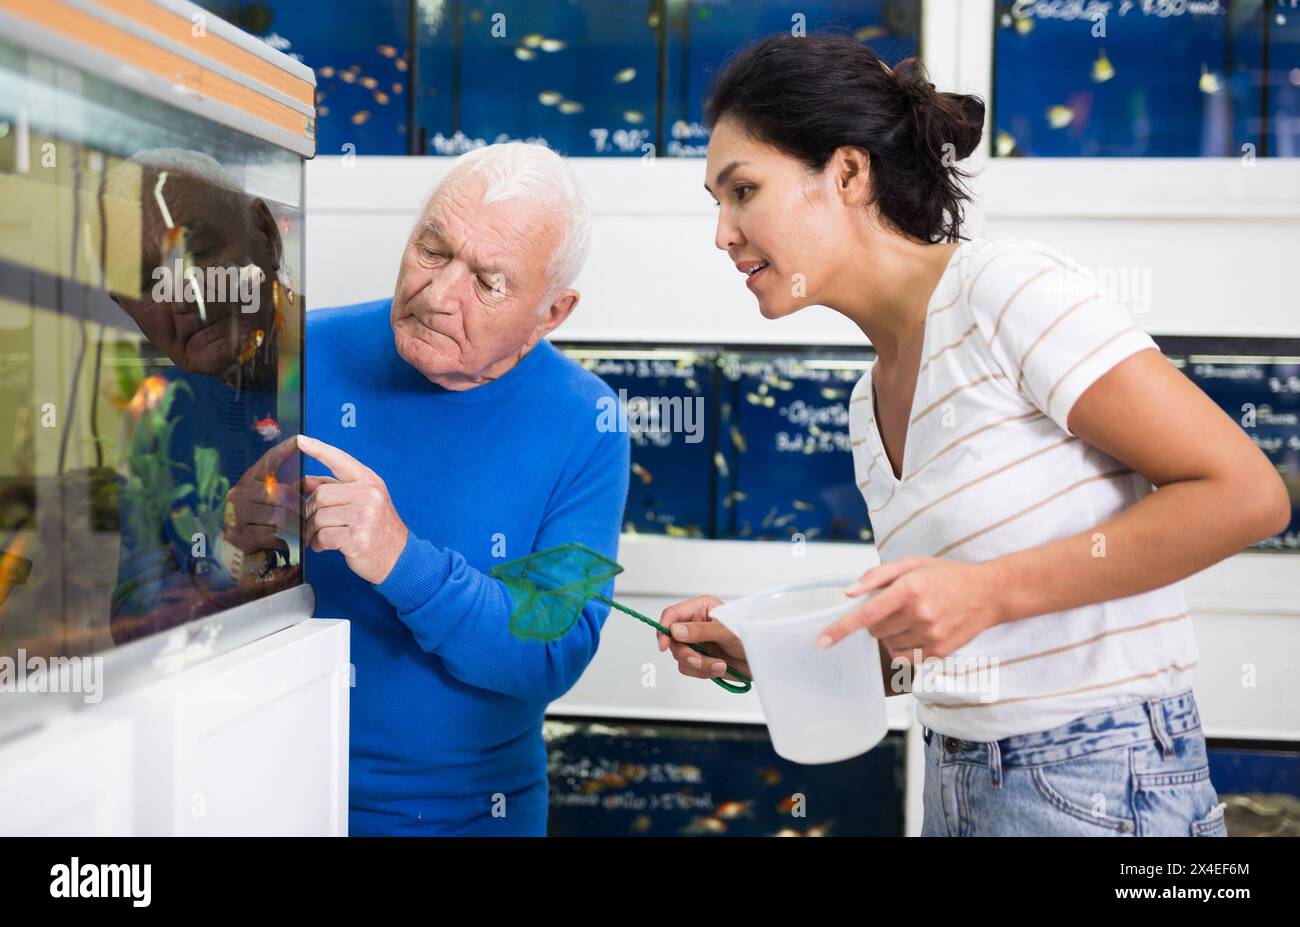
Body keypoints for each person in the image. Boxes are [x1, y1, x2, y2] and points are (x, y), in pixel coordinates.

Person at [657, 34, 1290, 837]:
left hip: (1100, 780)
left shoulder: (1005, 291)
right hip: (956, 779)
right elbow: (945, 637)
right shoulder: (869, 398)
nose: (722, 233)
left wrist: (984, 590)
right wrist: (771, 648)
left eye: (742, 190)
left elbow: (1247, 494)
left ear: (848, 174)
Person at [301, 142, 629, 835]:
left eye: (488, 281)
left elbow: (550, 647)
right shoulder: (299, 350)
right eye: (432, 248)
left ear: (552, 313)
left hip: (470, 817)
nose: (438, 293)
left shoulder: (585, 420)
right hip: (272, 786)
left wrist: (400, 558)